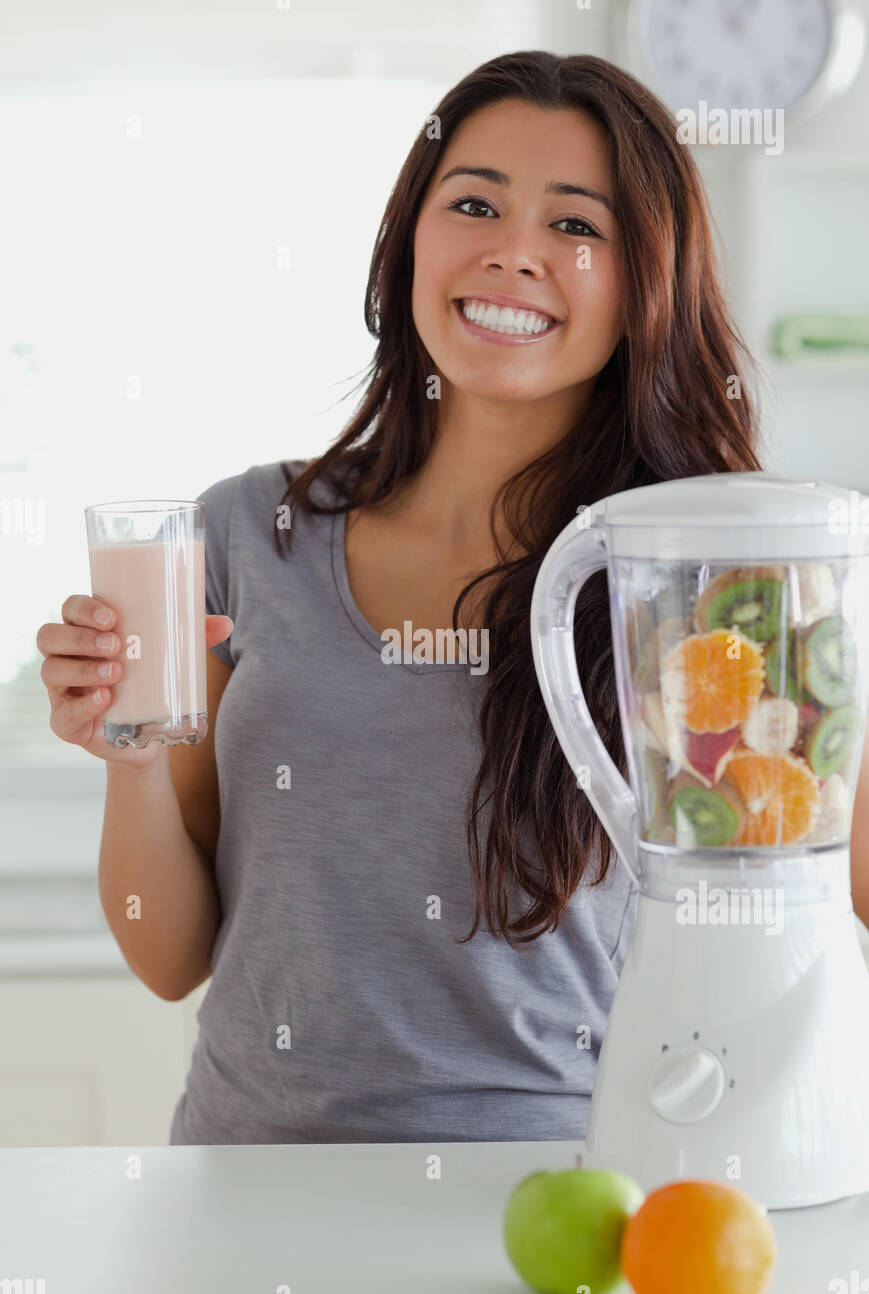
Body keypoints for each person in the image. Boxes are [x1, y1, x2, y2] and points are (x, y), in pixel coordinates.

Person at [37, 51, 763, 1145]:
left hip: (550, 1202)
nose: (512, 252)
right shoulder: (242, 534)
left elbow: (794, 910)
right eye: (472, 202)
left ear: (646, 279)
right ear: (407, 239)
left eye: (575, 227)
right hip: (243, 1192)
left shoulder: (687, 576)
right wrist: (128, 757)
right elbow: (167, 954)